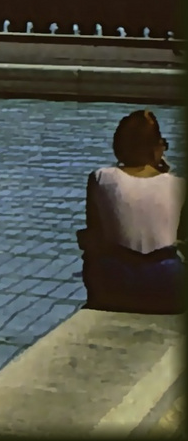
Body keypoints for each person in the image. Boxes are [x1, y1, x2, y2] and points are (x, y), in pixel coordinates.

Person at [78, 110, 184, 313]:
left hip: (114, 282)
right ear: (157, 148)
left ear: (118, 148)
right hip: (168, 283)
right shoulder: (179, 185)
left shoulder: (100, 178)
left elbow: (95, 234)